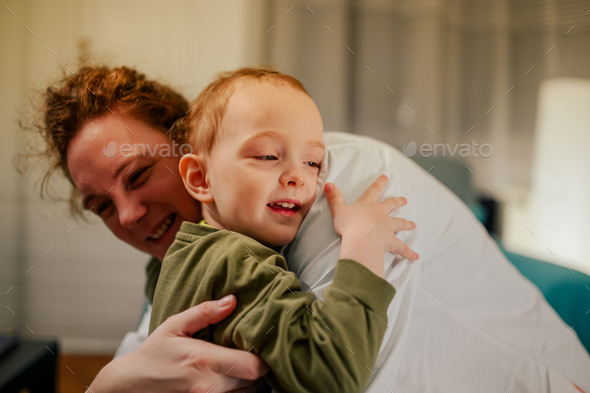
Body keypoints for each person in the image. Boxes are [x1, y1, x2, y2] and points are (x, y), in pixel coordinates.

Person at [24, 64, 590, 392]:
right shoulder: (184, 261)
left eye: (139, 174)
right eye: (101, 206)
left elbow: (334, 372)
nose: (126, 215)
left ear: (191, 160)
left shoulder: (336, 188)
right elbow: (141, 350)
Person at [148, 68, 417, 393]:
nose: (297, 177)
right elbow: (332, 377)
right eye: (267, 155)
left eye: (313, 162)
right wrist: (364, 242)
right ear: (200, 178)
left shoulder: (184, 256)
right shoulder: (233, 260)